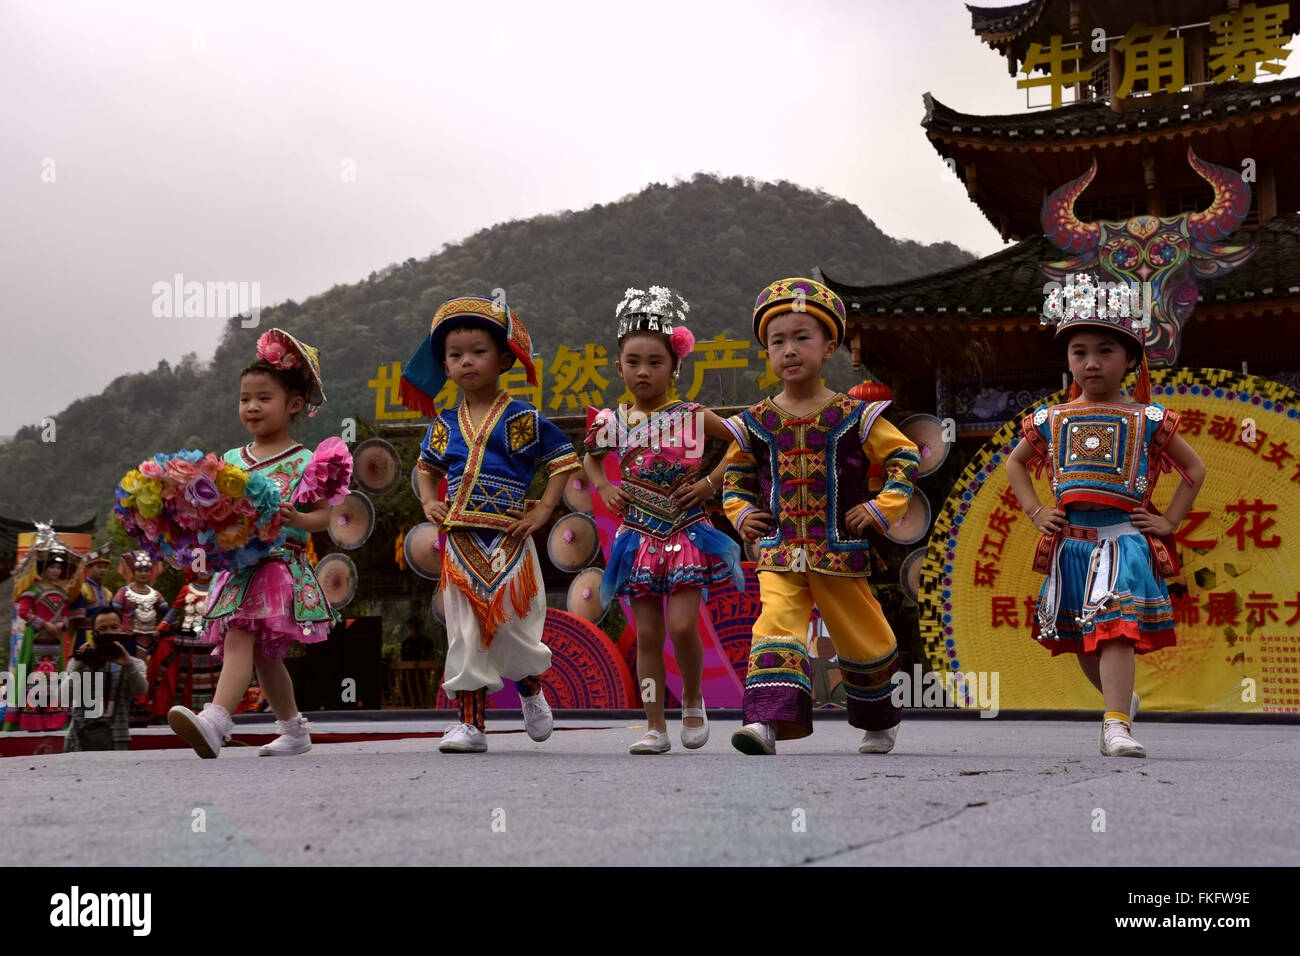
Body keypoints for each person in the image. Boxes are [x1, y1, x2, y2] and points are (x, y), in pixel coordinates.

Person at [721, 278, 921, 755]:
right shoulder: (755, 421)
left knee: (862, 636)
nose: (789, 350)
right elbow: (734, 477)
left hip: (840, 551)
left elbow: (905, 457)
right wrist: (742, 513)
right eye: (778, 341)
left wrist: (880, 507)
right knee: (775, 624)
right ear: (767, 352)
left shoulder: (856, 413)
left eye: (802, 337)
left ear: (830, 345)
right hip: (779, 553)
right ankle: (765, 724)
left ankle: (879, 718)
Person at [1004, 304, 1205, 757]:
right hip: (1071, 543)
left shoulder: (1148, 420)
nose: (1091, 362)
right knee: (1080, 637)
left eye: (1105, 351)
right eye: (1079, 352)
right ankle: (1120, 704)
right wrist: (1036, 511)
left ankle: (1115, 725)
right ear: (1069, 360)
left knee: (1114, 628)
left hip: (1123, 540)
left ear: (1131, 359)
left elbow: (1194, 467)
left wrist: (1169, 521)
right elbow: (1016, 463)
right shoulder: (1050, 419)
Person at [400, 294, 581, 754]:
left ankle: (530, 687)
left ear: (503, 359)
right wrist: (427, 501)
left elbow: (562, 462)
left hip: (508, 537)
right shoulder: (444, 423)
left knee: (514, 629)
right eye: (455, 355)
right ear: (444, 365)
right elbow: (426, 467)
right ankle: (470, 725)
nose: (466, 362)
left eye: (477, 352)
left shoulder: (521, 417)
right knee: (463, 632)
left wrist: (542, 512)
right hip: (459, 541)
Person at [582, 285, 743, 754]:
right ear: (619, 368)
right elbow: (591, 458)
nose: (643, 371)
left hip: (687, 531)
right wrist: (606, 485)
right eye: (633, 362)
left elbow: (742, 440)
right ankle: (655, 725)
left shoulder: (692, 415)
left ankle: (693, 699)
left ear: (674, 367)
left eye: (655, 362)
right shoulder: (613, 420)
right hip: (637, 537)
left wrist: (710, 484)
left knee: (681, 627)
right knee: (647, 634)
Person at [167, 328, 341, 758]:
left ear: (293, 405)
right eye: (245, 398)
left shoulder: (306, 460)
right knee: (265, 657)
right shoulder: (228, 461)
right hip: (238, 568)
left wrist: (298, 518)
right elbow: (210, 514)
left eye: (264, 398)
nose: (252, 407)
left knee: (241, 635)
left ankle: (216, 721)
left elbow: (326, 515)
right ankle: (294, 730)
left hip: (279, 565)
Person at [3, 523, 82, 732]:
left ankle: (54, 721)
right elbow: (23, 612)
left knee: (54, 681)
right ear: (43, 568)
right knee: (34, 680)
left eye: (58, 568)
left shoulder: (62, 593)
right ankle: (33, 722)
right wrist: (45, 624)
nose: (55, 571)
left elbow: (66, 615)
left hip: (55, 645)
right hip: (37, 641)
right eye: (51, 567)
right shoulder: (33, 590)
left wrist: (61, 624)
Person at [64, 609, 148, 752]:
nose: (109, 632)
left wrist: (128, 665)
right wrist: (79, 667)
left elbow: (141, 690)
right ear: (94, 633)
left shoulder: (134, 664)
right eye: (102, 629)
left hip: (118, 739)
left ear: (122, 628)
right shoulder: (80, 660)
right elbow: (64, 696)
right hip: (78, 739)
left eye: (114, 627)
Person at [160, 568, 218, 712]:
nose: (204, 571)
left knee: (211, 675)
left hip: (209, 638)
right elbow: (174, 611)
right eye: (200, 567)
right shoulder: (187, 589)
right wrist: (161, 627)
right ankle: (181, 708)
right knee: (185, 675)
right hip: (187, 639)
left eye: (208, 567)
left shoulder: (217, 587)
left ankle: (211, 709)